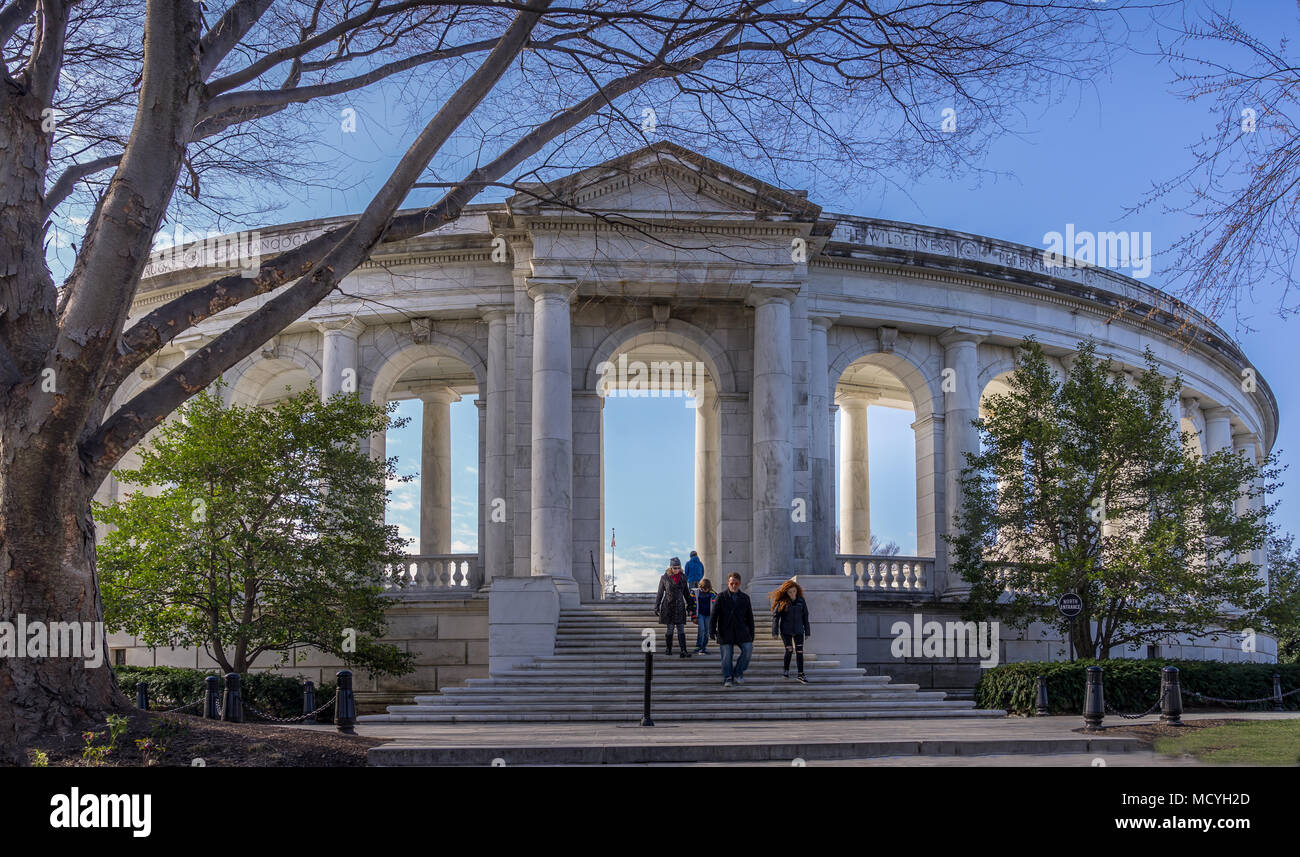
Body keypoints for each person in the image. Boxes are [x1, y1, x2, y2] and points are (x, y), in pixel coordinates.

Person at [709, 572, 754, 687]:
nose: (734, 585)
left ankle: (738, 673)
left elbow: (750, 617)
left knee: (748, 650)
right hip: (725, 631)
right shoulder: (720, 597)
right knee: (726, 656)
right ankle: (728, 677)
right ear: (728, 583)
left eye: (736, 583)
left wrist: (751, 633)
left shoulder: (745, 598)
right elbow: (714, 615)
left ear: (739, 584)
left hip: (742, 631)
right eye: (731, 583)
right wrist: (712, 630)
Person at [769, 579, 812, 683]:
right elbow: (776, 617)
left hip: (798, 630)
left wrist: (807, 631)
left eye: (794, 591)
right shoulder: (782, 602)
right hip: (786, 631)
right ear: (786, 592)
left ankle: (801, 674)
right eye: (790, 592)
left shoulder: (801, 601)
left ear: (797, 590)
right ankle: (786, 670)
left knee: (799, 651)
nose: (792, 593)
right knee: (789, 650)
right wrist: (775, 631)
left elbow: (805, 616)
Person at [655, 557, 695, 658]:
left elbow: (686, 593)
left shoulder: (683, 577)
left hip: (680, 606)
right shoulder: (664, 578)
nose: (677, 570)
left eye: (678, 567)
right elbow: (660, 593)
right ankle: (668, 649)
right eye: (674, 568)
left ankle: (683, 650)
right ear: (671, 568)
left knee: (681, 629)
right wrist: (656, 606)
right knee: (670, 629)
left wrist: (691, 606)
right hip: (668, 606)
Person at [693, 579, 716, 655]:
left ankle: (703, 647)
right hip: (700, 614)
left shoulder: (712, 593)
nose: (705, 590)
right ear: (701, 587)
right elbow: (692, 603)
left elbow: (717, 603)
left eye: (707, 589)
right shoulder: (696, 592)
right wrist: (693, 615)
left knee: (707, 632)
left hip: (708, 615)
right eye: (704, 589)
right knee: (701, 629)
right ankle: (698, 647)